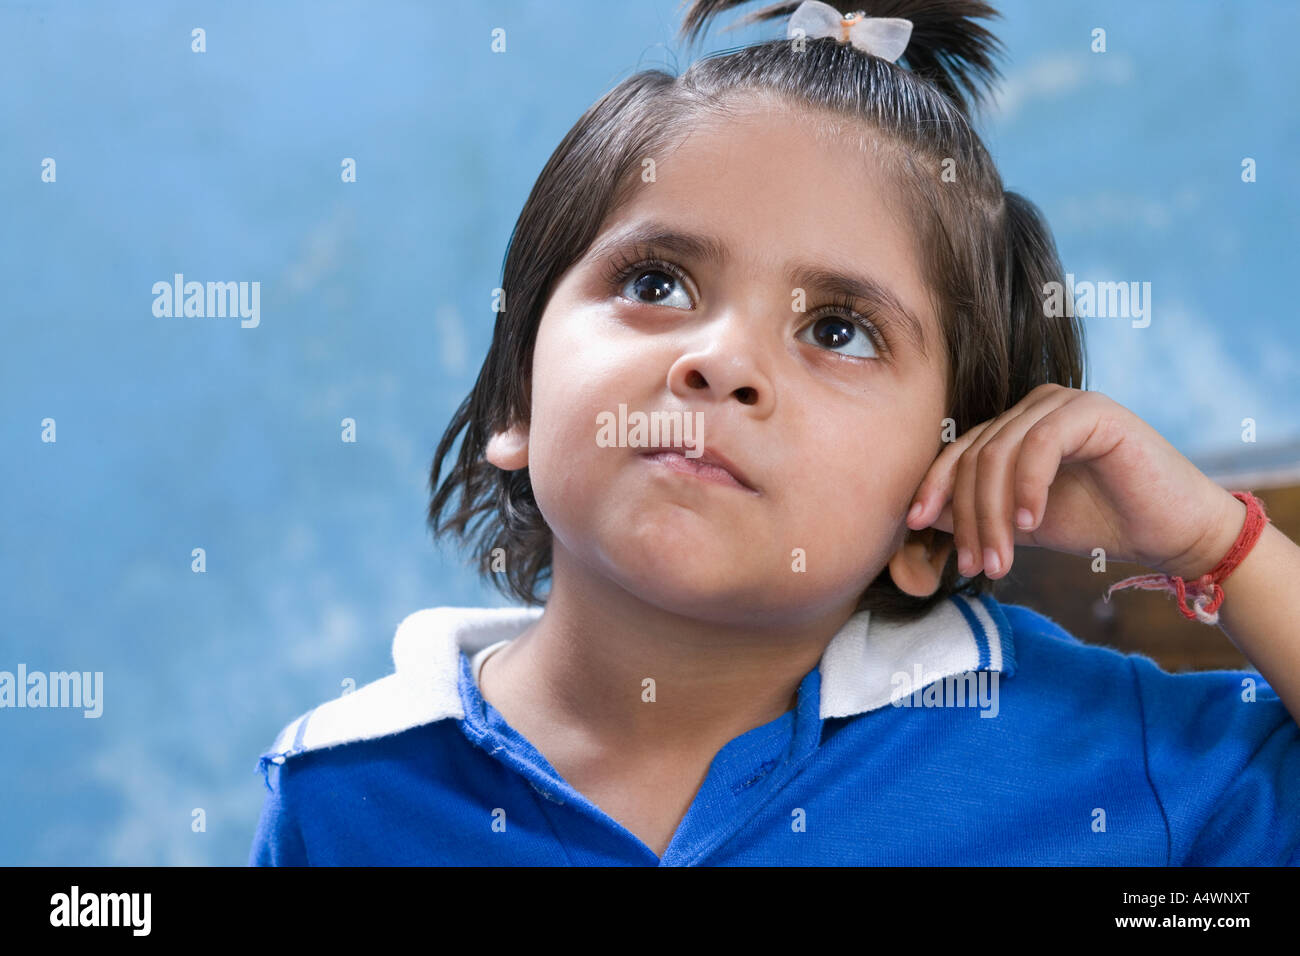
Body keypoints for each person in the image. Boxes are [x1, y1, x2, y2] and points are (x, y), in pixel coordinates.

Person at [249, 0, 1300, 865]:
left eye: (838, 329)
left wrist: (1219, 544)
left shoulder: (1112, 765)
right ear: (517, 398)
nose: (723, 360)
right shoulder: (343, 788)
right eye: (654, 281)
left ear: (931, 505)